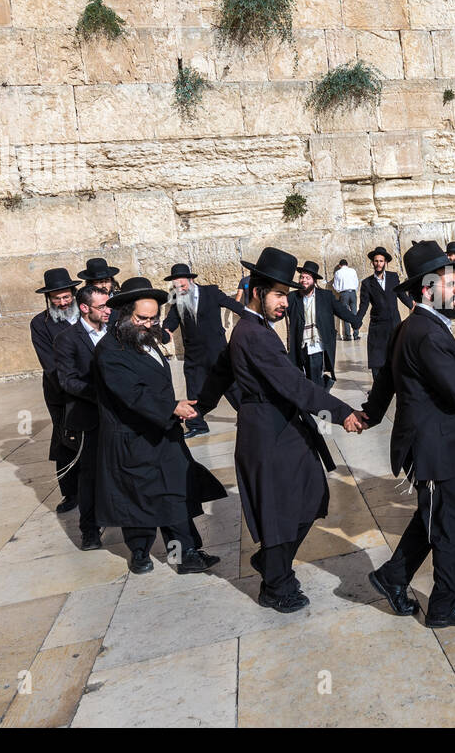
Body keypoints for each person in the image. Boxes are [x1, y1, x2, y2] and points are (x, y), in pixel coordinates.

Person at [195, 249, 365, 612]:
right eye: (277, 294)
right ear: (256, 292)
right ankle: (275, 584)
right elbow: (295, 385)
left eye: (286, 294)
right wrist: (342, 412)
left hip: (281, 425)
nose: (285, 302)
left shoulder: (253, 328)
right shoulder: (253, 334)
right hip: (267, 432)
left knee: (309, 494)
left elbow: (222, 369)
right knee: (279, 508)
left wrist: (200, 405)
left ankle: (271, 562)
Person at [359, 241, 455, 628]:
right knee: (451, 528)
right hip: (435, 448)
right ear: (428, 289)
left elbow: (386, 383)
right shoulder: (426, 333)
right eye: (451, 283)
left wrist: (369, 414)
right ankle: (446, 605)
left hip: (434, 445)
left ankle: (392, 577)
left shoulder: (413, 326)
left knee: (432, 519)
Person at [94, 278, 226, 575]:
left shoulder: (146, 339)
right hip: (133, 439)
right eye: (142, 318)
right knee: (137, 498)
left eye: (153, 318)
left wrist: (174, 407)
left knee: (175, 494)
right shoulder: (110, 351)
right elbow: (132, 393)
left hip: (163, 433)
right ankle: (139, 552)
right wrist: (171, 407)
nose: (148, 324)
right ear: (125, 314)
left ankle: (186, 554)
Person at [160, 262, 246, 438]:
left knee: (233, 387)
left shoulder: (211, 292)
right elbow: (171, 321)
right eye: (176, 287)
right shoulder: (177, 300)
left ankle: (248, 416)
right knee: (194, 391)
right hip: (194, 356)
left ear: (191, 280)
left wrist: (254, 318)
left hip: (218, 352)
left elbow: (233, 305)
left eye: (182, 285)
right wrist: (165, 332)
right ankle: (197, 424)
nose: (180, 289)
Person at [54, 284, 110, 551]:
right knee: (90, 476)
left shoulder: (115, 332)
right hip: (90, 417)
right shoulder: (67, 339)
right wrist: (101, 395)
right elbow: (68, 380)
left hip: (118, 416)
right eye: (102, 306)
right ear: (85, 308)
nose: (108, 310)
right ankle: (89, 530)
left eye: (109, 304)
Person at [30, 268, 83, 514]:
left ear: (74, 293)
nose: (62, 303)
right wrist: (74, 385)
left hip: (92, 387)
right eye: (56, 299)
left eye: (66, 297)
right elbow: (50, 363)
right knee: (65, 440)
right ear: (48, 299)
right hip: (60, 390)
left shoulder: (86, 315)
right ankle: (70, 493)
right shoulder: (40, 324)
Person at [285, 260, 359, 389]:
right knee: (300, 379)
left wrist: (356, 321)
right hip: (299, 345)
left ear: (314, 281)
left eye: (307, 278)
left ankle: (319, 405)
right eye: (302, 277)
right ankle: (316, 398)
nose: (304, 280)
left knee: (314, 379)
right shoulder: (292, 297)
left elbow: (341, 310)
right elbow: (278, 312)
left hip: (316, 345)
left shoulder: (325, 296)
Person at [356, 246, 413, 380]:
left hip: (394, 322)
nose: (378, 264)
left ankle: (399, 382)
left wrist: (412, 305)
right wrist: (357, 320)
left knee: (396, 354)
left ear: (385, 262)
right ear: (372, 263)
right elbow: (363, 305)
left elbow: (401, 294)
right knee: (377, 358)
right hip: (378, 324)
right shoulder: (367, 283)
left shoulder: (393, 277)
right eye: (376, 261)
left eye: (381, 261)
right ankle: (378, 387)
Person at [331, 258, 361, 340]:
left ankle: (348, 336)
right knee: (354, 314)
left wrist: (339, 291)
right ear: (347, 264)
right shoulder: (352, 271)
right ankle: (356, 335)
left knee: (345, 314)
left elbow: (335, 285)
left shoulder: (338, 272)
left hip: (344, 294)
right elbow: (356, 282)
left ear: (340, 265)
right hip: (353, 293)